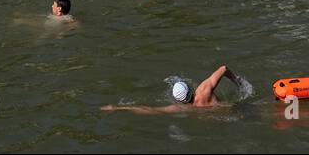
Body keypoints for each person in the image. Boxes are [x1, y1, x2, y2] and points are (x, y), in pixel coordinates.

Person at [102, 65, 246, 114]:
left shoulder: (180, 108)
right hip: (236, 110)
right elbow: (223, 69)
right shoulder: (203, 91)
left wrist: (117, 108)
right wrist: (237, 81)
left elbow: (150, 110)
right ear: (190, 88)